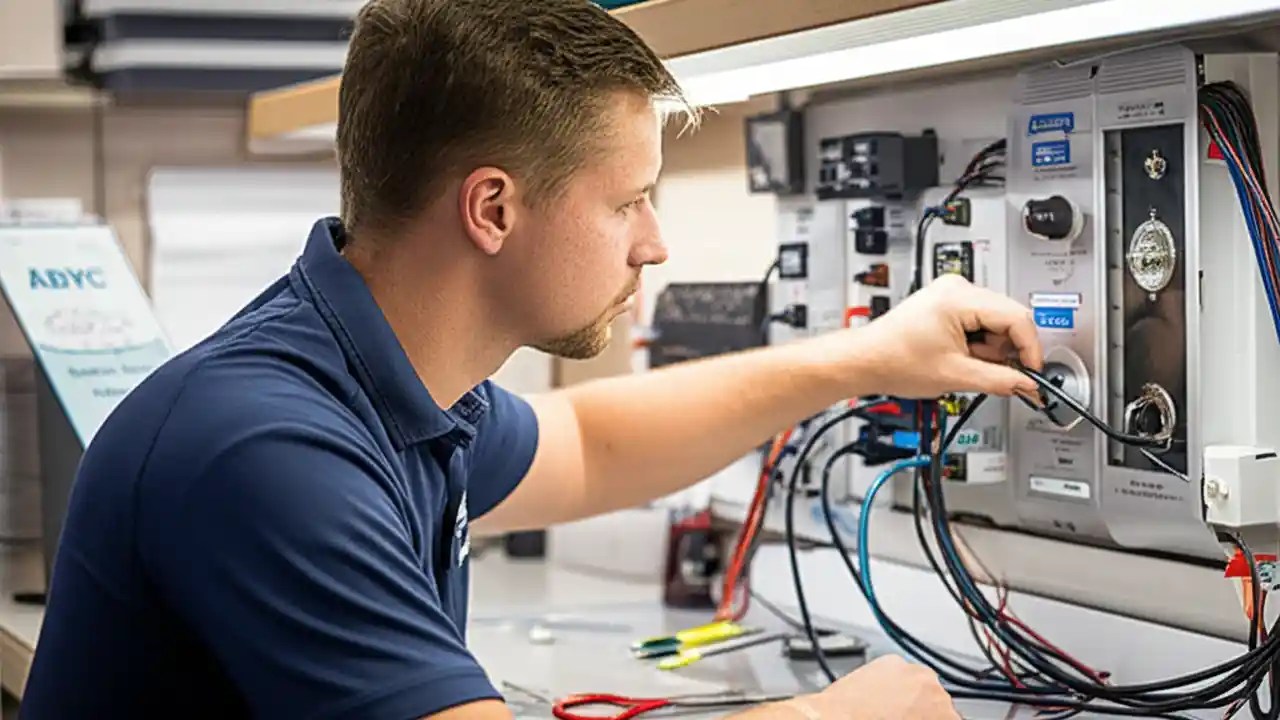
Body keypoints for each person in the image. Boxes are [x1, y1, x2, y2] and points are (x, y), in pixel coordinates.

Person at [21, 0, 1043, 718]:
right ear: (493, 208)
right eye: (626, 200)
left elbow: (591, 444)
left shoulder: (395, 383)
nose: (653, 241)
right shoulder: (263, 448)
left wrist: (862, 356)